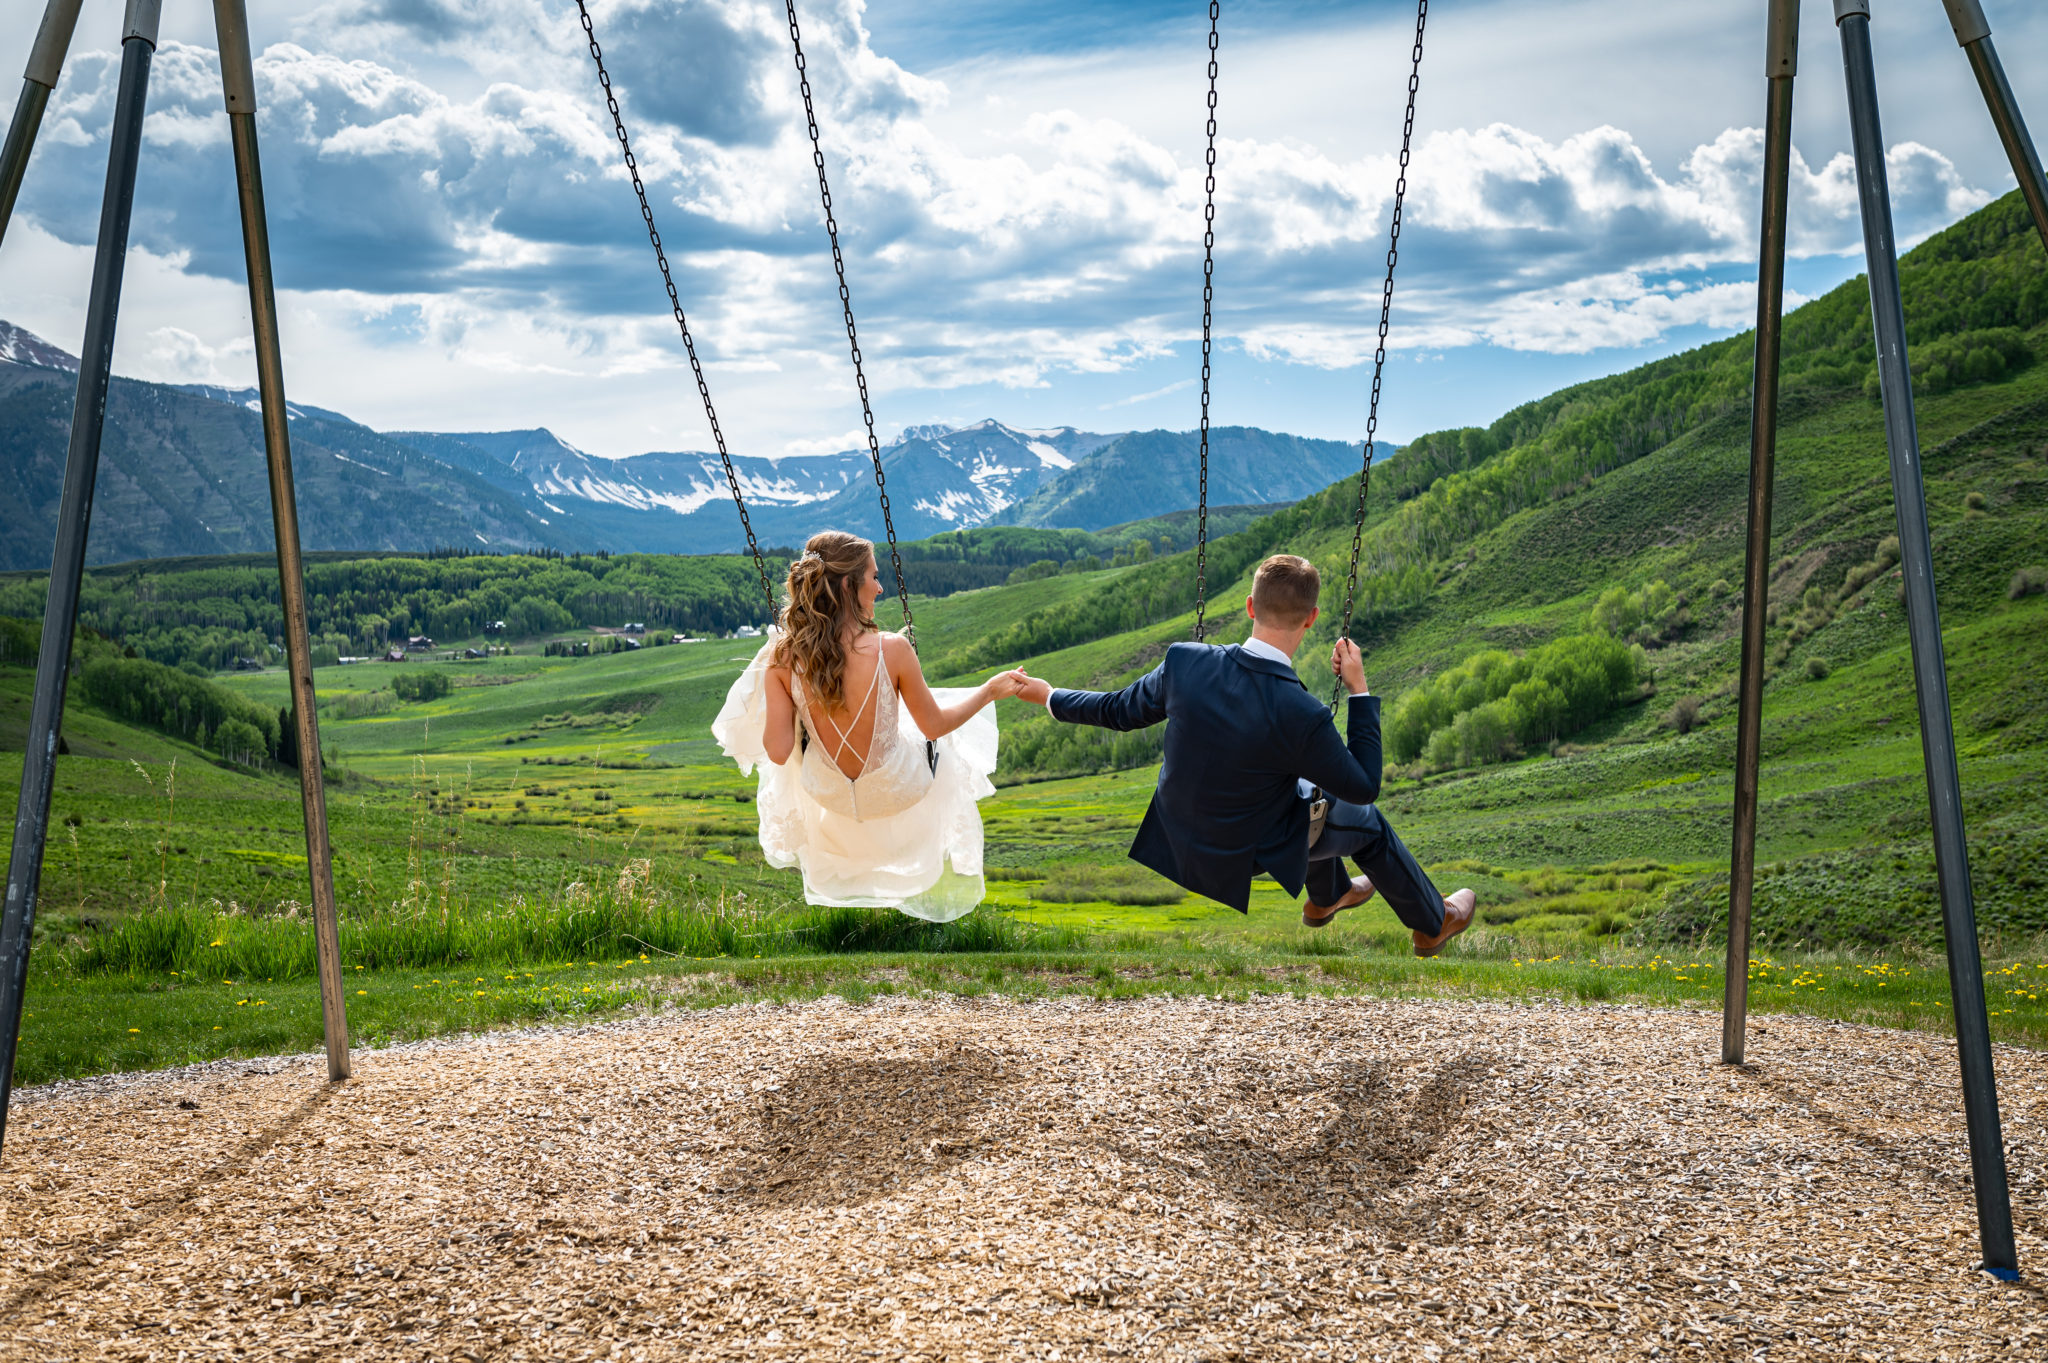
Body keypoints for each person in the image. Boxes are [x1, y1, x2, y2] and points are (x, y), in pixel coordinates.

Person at [1014, 553, 1474, 955]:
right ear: (1311, 619)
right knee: (1367, 823)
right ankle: (1434, 923)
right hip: (1245, 853)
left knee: (1304, 792)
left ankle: (1329, 894)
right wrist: (1359, 690)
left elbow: (1117, 710)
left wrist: (1050, 695)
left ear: (1250, 606)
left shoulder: (1183, 662)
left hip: (1179, 837)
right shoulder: (1301, 712)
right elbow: (1363, 785)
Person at [712, 530, 1026, 920]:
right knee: (945, 734)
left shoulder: (782, 657)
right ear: (848, 584)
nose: (879, 588)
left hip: (827, 793)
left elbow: (777, 752)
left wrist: (791, 694)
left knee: (812, 754)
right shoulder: (892, 648)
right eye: (874, 577)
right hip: (896, 789)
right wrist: (989, 691)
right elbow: (934, 727)